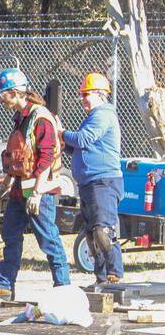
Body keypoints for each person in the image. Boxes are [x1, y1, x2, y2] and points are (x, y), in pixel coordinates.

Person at [0, 69, 69, 299]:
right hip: (20, 188)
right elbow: (17, 156)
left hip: (40, 191)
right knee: (10, 234)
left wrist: (37, 192)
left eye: (3, 94)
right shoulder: (20, 118)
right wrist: (3, 186)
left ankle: (64, 287)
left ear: (15, 92)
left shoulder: (41, 118)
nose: (0, 98)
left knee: (48, 238)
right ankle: (4, 286)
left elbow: (46, 156)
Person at [64, 72, 124, 284]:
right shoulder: (93, 117)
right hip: (90, 183)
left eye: (86, 94)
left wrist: (61, 133)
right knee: (91, 234)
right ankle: (102, 278)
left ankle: (114, 274)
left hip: (103, 182)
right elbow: (82, 148)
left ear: (100, 95)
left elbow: (83, 139)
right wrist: (65, 144)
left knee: (103, 231)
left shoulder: (103, 114)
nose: (82, 99)